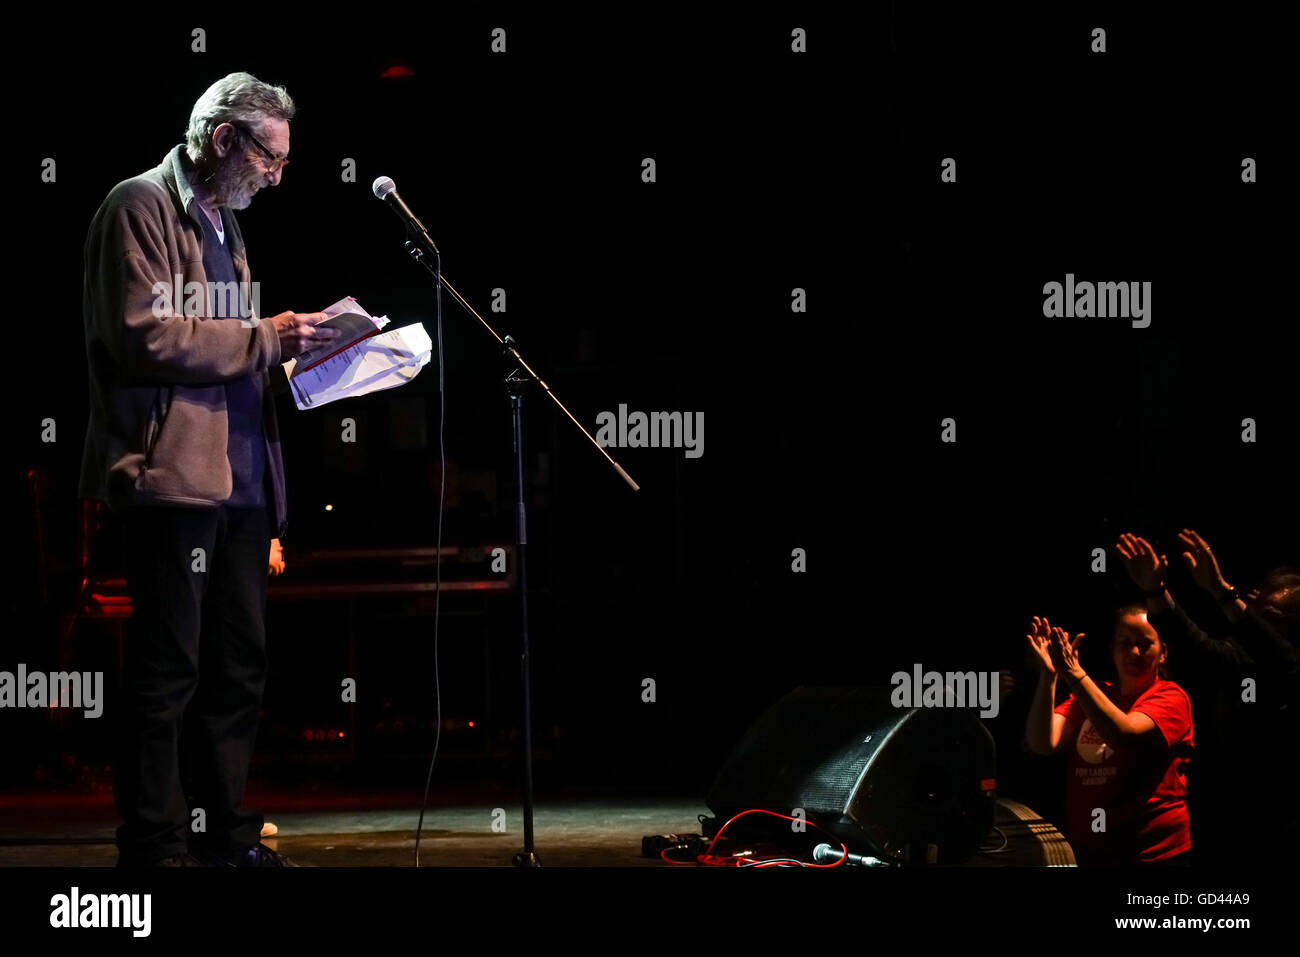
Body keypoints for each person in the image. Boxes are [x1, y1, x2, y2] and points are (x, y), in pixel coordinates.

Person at [79, 72, 338, 867]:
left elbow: (232, 355)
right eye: (270, 157)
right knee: (168, 671)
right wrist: (270, 336)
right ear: (225, 139)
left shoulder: (224, 223)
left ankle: (225, 837)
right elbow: (147, 336)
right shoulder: (139, 206)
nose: (276, 174)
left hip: (240, 484)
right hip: (171, 483)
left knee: (237, 670)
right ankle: (156, 847)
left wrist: (318, 357)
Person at [1116, 530, 1300, 865]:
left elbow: (1282, 660)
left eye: (1265, 613)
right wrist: (1155, 592)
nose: (1247, 614)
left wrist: (1220, 590)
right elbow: (1197, 644)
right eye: (1252, 602)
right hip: (1221, 811)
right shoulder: (1239, 656)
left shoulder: (1285, 666)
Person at [1024, 610, 1193, 866]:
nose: (1134, 651)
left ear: (1163, 651)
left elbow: (1122, 734)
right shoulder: (1096, 693)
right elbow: (1043, 743)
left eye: (1145, 644)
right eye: (1124, 643)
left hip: (1151, 856)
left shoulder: (1171, 697)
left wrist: (1074, 674)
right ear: (1112, 650)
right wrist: (1050, 676)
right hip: (1089, 853)